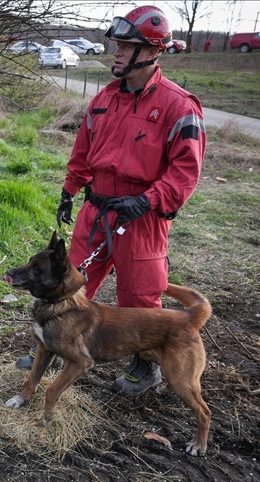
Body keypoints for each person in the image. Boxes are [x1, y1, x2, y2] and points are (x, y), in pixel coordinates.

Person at [17, 5, 206, 397]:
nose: (116, 52)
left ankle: (146, 365)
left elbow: (185, 171)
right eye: (117, 44)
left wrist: (150, 199)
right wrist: (71, 189)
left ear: (151, 51)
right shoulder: (104, 99)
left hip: (142, 217)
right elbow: (83, 150)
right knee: (72, 282)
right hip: (96, 208)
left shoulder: (179, 106)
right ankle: (55, 343)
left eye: (126, 45)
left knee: (140, 295)